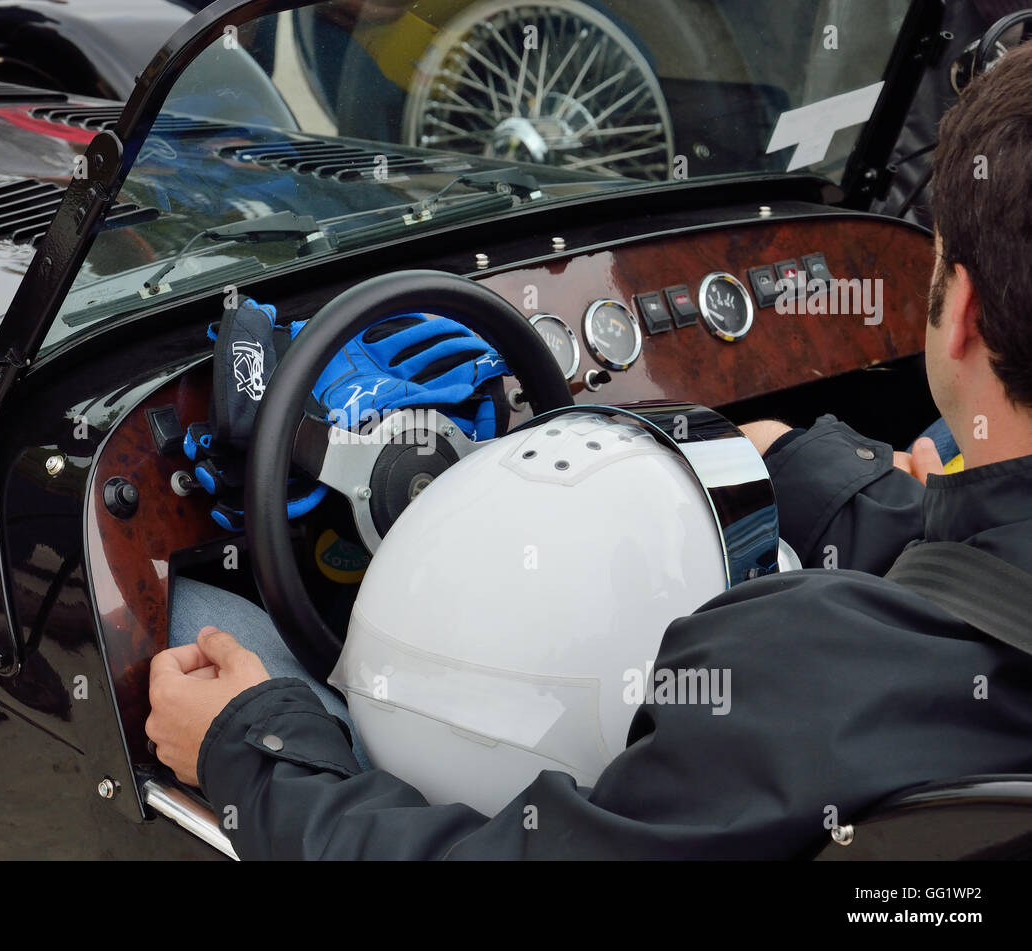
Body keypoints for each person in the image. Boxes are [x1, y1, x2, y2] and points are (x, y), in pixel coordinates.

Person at [145, 41, 1032, 860]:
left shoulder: (794, 676)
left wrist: (253, 747)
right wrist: (808, 472)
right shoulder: (904, 660)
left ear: (963, 315)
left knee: (195, 627)